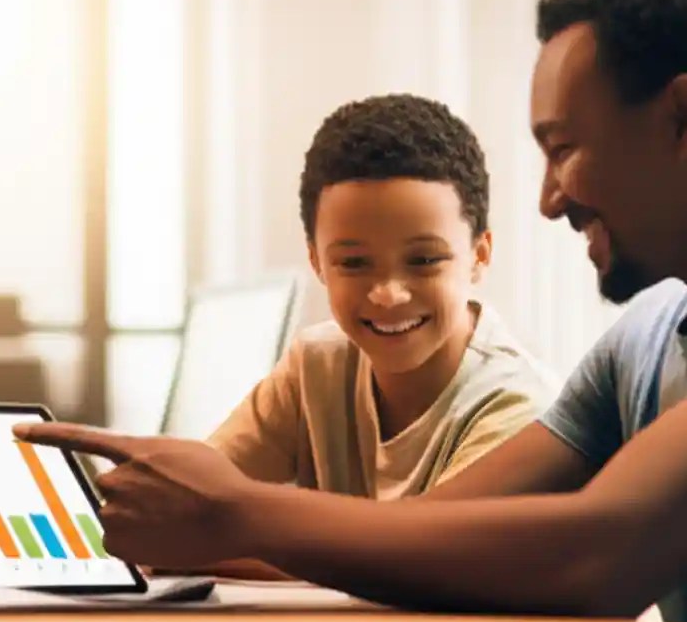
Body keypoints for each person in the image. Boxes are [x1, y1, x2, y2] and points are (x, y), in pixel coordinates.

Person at [15, 0, 687, 622]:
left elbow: (600, 556)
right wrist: (203, 524)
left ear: (685, 120)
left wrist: (236, 511)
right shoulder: (646, 335)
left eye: (565, 148)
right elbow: (426, 536)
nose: (549, 199)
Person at [190, 94, 556, 580]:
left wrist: (222, 540)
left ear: (480, 255)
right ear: (318, 261)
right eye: (354, 263)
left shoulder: (519, 406)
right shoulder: (314, 367)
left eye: (425, 260)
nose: (387, 294)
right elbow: (194, 506)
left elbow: (420, 567)